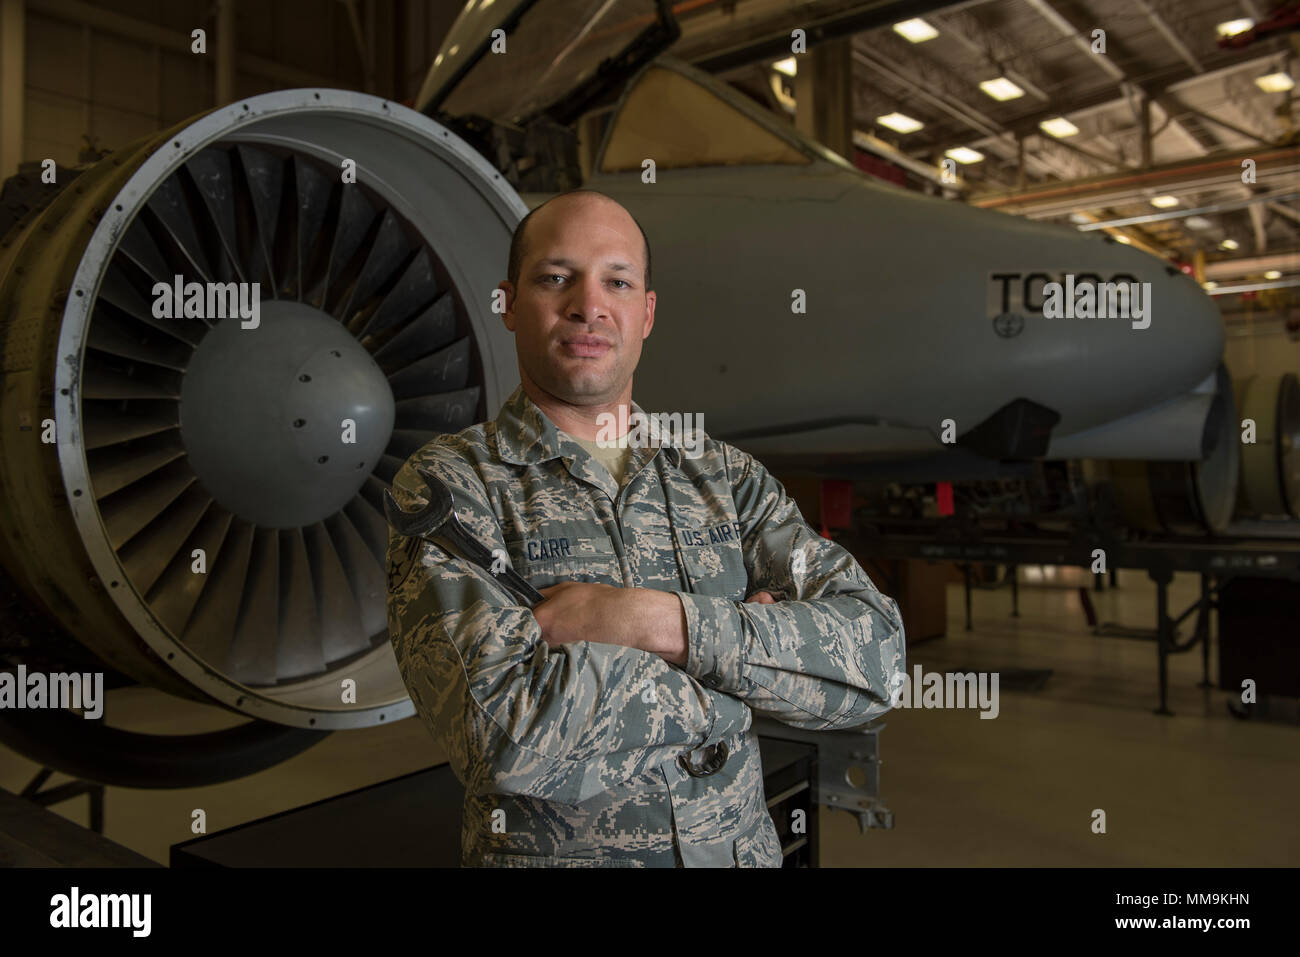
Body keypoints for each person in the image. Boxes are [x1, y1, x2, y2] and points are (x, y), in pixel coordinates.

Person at [386, 188, 906, 867]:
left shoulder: (727, 478)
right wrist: (744, 671)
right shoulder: (453, 487)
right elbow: (501, 734)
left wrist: (649, 622)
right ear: (508, 303)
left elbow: (879, 661)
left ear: (647, 313)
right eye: (556, 278)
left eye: (617, 281)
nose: (588, 306)